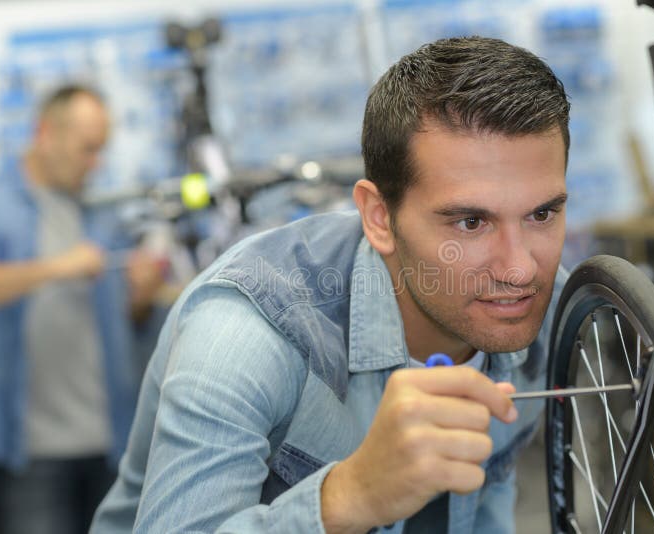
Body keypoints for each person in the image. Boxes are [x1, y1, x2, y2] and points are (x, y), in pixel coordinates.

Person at [92, 36, 571, 533]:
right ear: (380, 217)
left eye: (542, 213)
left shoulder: (544, 304)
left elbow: (486, 500)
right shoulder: (246, 333)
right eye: (471, 223)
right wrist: (350, 495)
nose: (519, 269)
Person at [0, 85, 165, 534]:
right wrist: (55, 267)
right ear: (45, 133)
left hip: (110, 446)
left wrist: (140, 297)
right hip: (29, 456)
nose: (95, 164)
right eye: (87, 150)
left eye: (101, 151)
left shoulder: (100, 213)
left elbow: (129, 322)